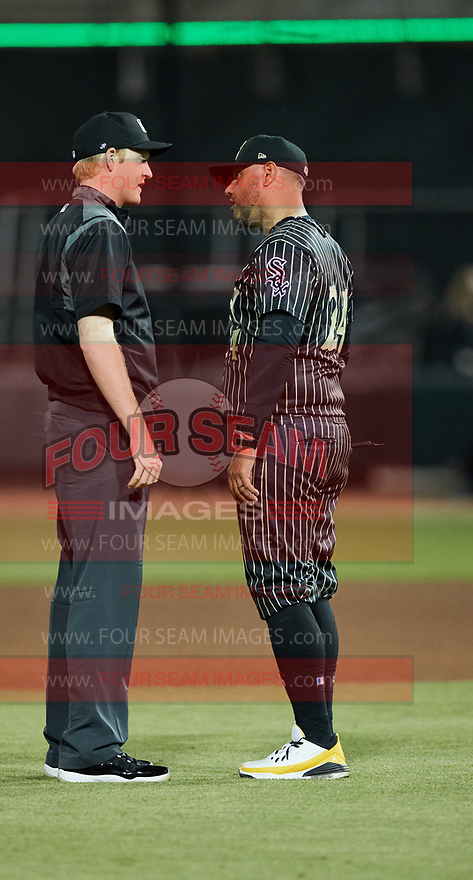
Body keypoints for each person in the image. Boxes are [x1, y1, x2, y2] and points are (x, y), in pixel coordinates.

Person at [34, 111, 171, 782]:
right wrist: (138, 431)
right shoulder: (100, 229)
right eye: (140, 156)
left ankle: (69, 741)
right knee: (105, 590)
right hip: (98, 428)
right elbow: (96, 337)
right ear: (105, 157)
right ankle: (92, 749)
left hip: (72, 422)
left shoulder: (64, 220)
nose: (149, 169)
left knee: (80, 584)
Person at [210, 135, 353, 779]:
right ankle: (322, 735)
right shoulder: (325, 245)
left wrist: (242, 440)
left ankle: (315, 740)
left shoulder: (282, 253)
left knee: (280, 581)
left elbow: (273, 350)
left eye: (235, 176)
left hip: (286, 430)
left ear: (268, 173)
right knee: (310, 579)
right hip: (323, 421)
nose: (228, 188)